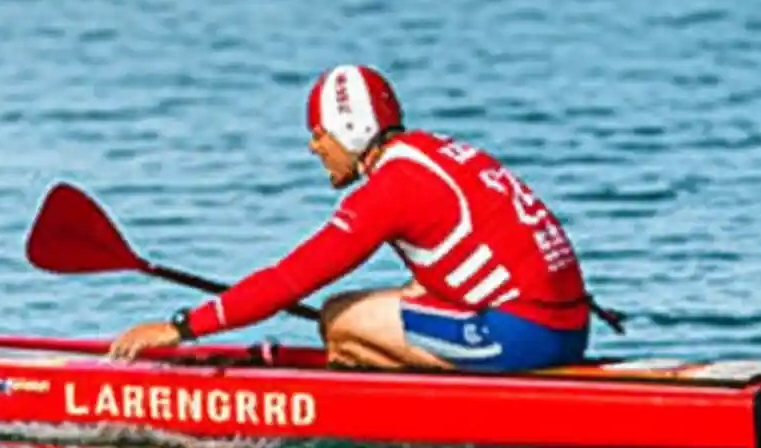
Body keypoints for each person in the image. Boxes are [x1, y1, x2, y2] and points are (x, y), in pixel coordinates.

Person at [109, 64, 610, 371]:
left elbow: (289, 280)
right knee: (367, 304)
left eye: (320, 133)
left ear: (352, 128)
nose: (313, 146)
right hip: (568, 326)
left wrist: (181, 328)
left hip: (525, 337)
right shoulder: (435, 153)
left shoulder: (391, 189)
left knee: (338, 320)